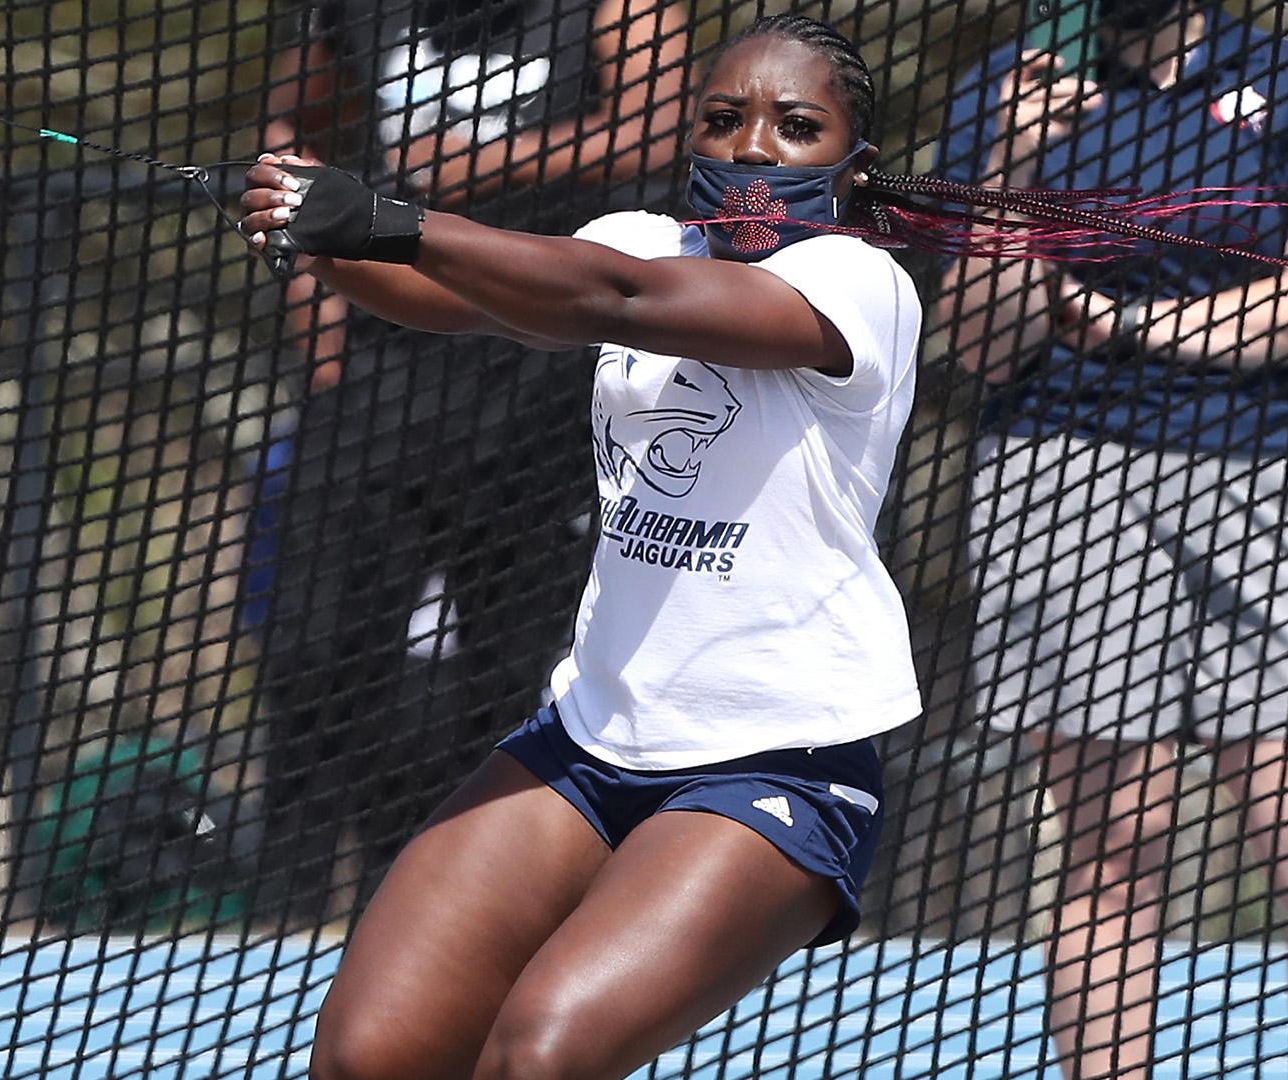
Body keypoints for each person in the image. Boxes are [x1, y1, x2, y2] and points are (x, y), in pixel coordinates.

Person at [239, 15, 925, 1080]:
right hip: (589, 740)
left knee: (543, 1055)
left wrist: (393, 218)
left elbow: (615, 301)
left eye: (794, 127)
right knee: (371, 1052)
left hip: (774, 762)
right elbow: (448, 300)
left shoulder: (858, 283)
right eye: (723, 119)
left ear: (853, 163)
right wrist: (319, 231)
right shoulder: (640, 235)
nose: (750, 147)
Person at [934, 3, 1288, 1080]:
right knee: (1118, 852)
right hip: (1065, 482)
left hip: (1260, 478)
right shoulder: (1010, 88)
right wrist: (1011, 168)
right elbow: (987, 347)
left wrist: (1137, 327)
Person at [247, 0, 690, 918]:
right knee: (315, 650)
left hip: (546, 386)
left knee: (509, 675)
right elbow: (289, 131)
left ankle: (475, 908)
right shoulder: (357, 16)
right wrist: (320, 316)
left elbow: (659, 123)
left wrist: (486, 165)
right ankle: (281, 921)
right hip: (381, 381)